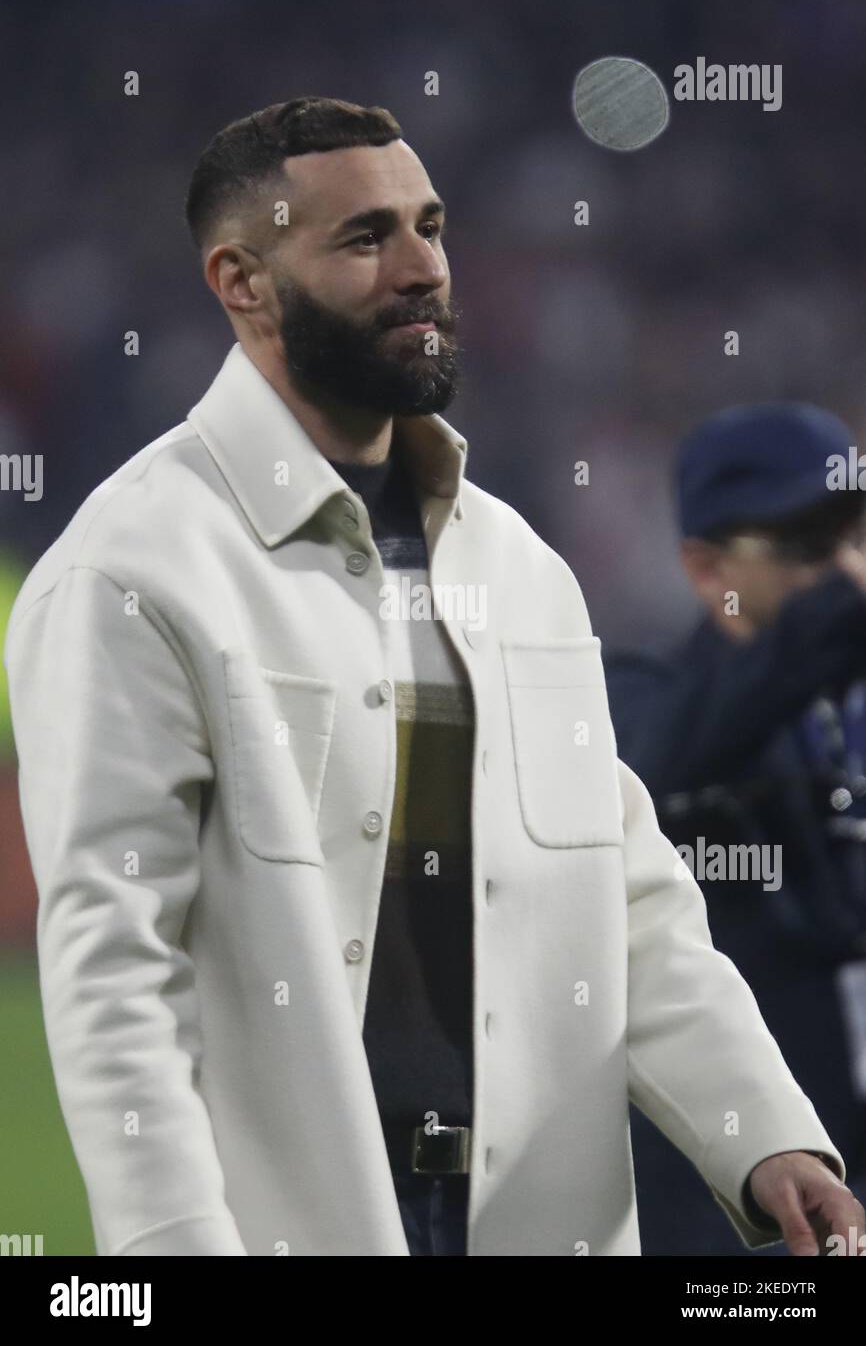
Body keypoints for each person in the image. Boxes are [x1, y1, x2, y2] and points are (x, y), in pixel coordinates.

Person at [4, 101, 863, 1257]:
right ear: (241, 281)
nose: (421, 268)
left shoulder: (518, 568)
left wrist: (760, 1135)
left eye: (430, 226)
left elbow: (620, 892)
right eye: (364, 238)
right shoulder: (131, 573)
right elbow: (117, 961)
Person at [604, 402, 866, 1255]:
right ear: (702, 565)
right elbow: (664, 755)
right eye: (808, 547)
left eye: (858, 537)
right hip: (735, 1222)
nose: (848, 570)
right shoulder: (639, 703)